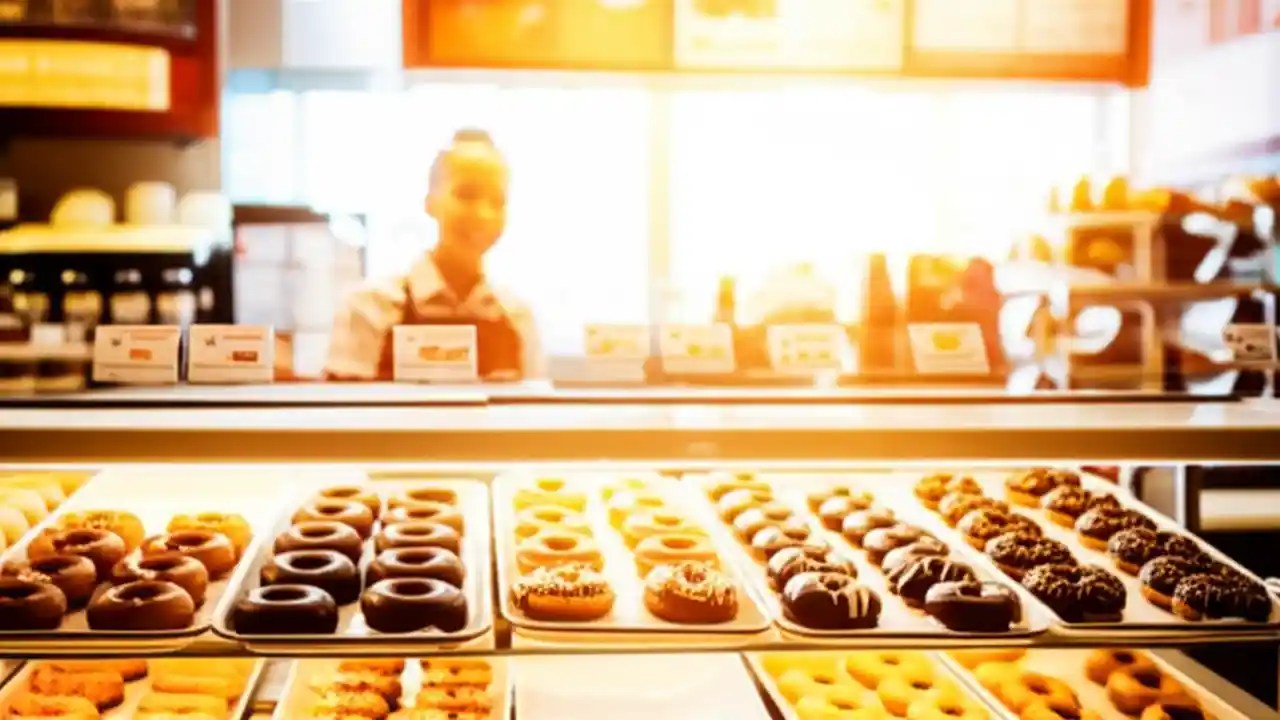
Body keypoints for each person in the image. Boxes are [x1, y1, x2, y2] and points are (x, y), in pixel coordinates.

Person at [325, 129, 541, 380]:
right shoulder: (370, 308)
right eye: (466, 195)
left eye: (497, 200)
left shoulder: (518, 318)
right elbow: (345, 417)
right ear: (430, 202)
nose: (483, 213)